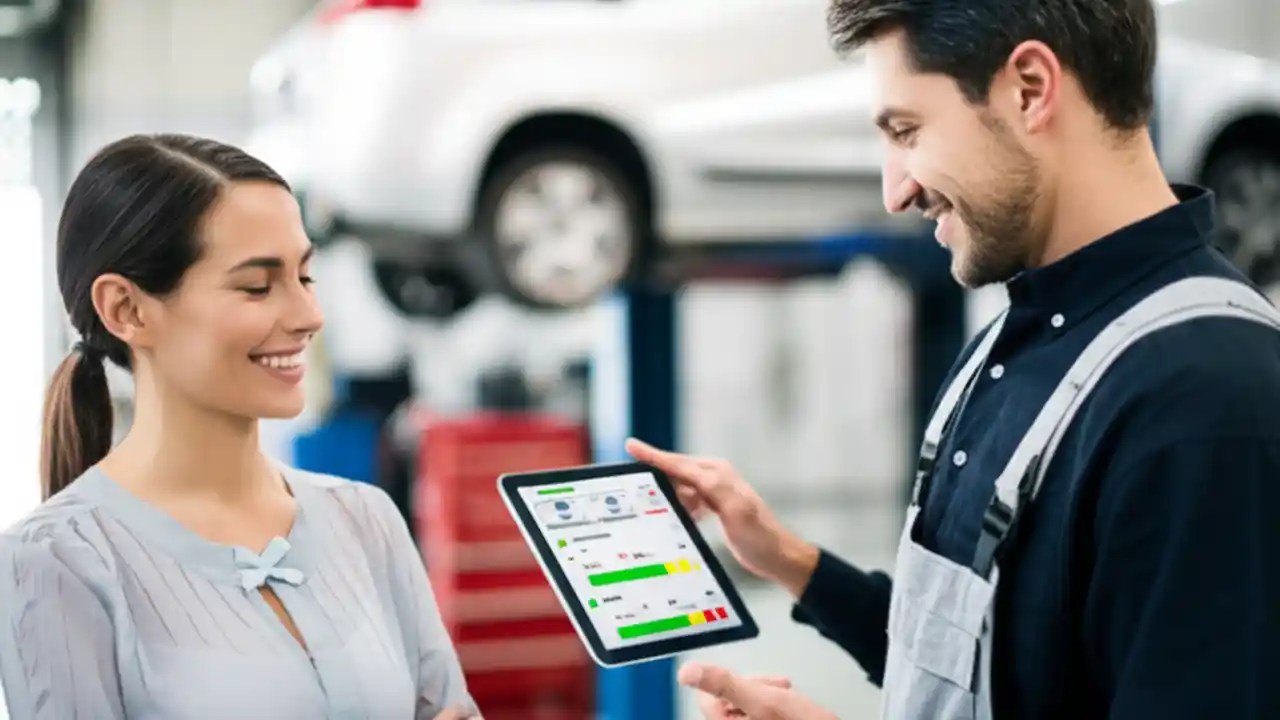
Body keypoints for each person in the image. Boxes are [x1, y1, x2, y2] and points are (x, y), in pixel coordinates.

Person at [629, 0, 1280, 718]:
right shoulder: (1015, 345)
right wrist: (787, 558)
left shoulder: (1208, 402)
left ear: (1030, 89)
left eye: (907, 131)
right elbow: (985, 666)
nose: (895, 190)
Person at [0, 135, 480, 719]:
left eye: (305, 277)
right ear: (127, 308)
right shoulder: (55, 560)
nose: (308, 316)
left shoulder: (365, 519)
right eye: (257, 286)